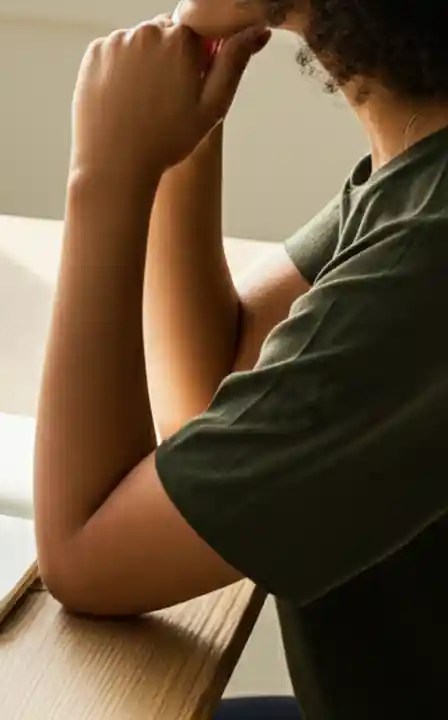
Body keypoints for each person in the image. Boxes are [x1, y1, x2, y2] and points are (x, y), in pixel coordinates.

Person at [32, 1, 448, 718]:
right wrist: (179, 135)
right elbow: (216, 399)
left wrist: (105, 176)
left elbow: (85, 554)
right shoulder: (419, 168)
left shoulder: (429, 252)